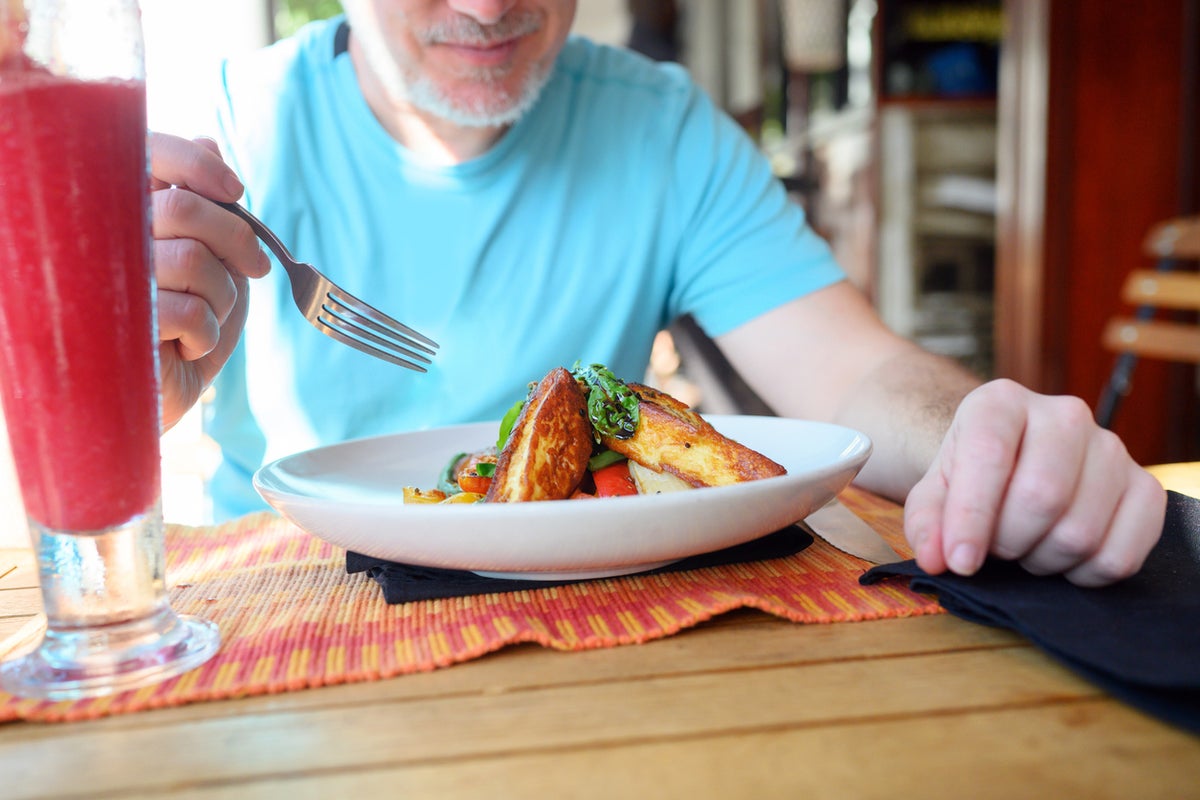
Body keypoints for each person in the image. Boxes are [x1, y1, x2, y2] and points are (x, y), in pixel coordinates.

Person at [149, 0, 1165, 588]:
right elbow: (96, 440)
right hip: (292, 604)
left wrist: (988, 442)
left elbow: (856, 379)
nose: (490, 5)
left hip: (611, 627)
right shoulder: (223, 134)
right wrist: (123, 388)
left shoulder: (663, 129)